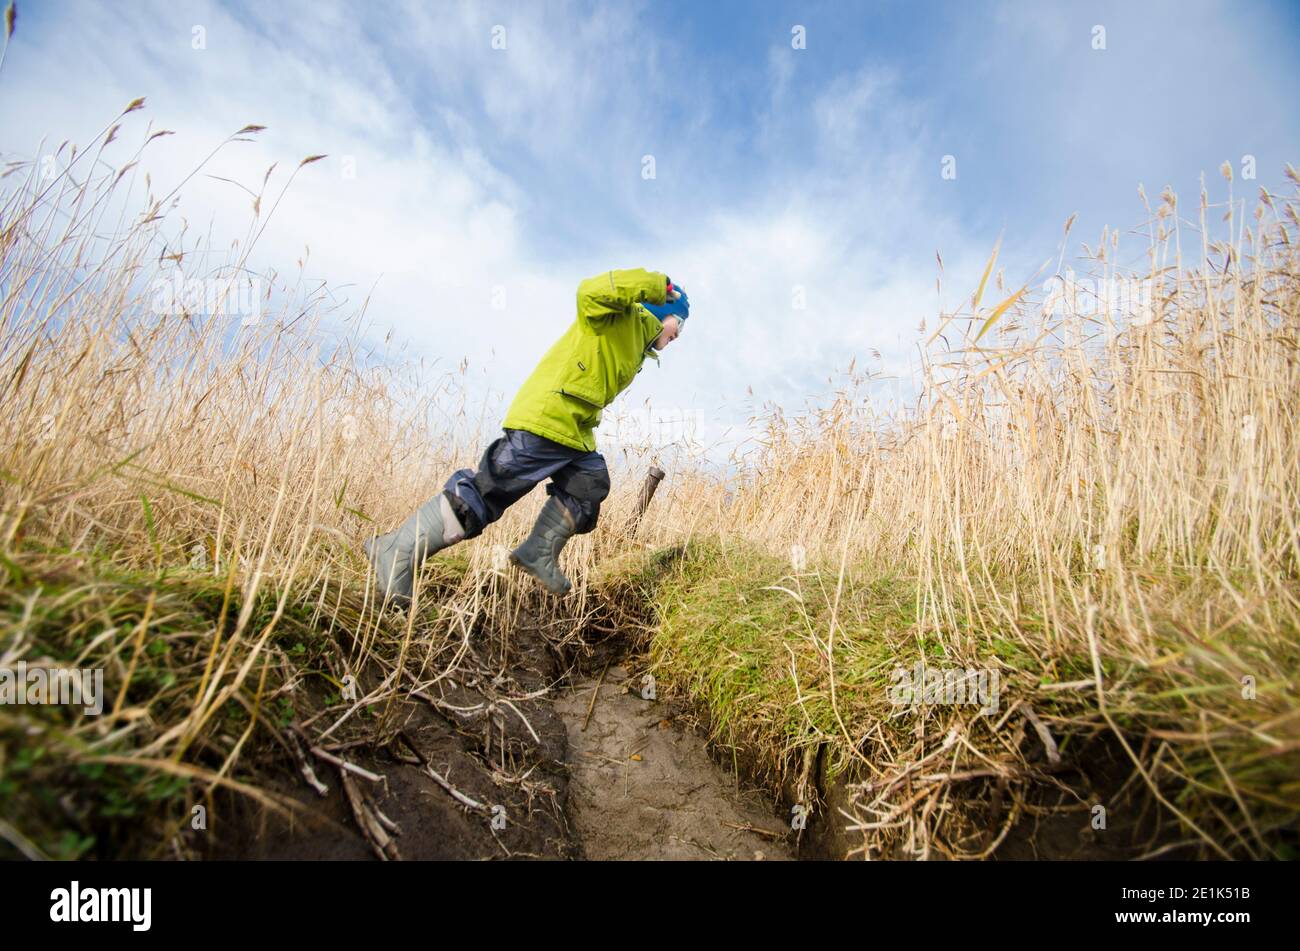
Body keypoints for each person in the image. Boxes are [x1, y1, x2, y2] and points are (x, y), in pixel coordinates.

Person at [365, 267, 690, 608]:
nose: (679, 335)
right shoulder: (615, 315)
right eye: (678, 324)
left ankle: (538, 553)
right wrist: (653, 285)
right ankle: (397, 550)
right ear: (658, 308)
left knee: (590, 482)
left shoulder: (639, 345)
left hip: (575, 431)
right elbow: (589, 292)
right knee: (487, 493)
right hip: (547, 418)